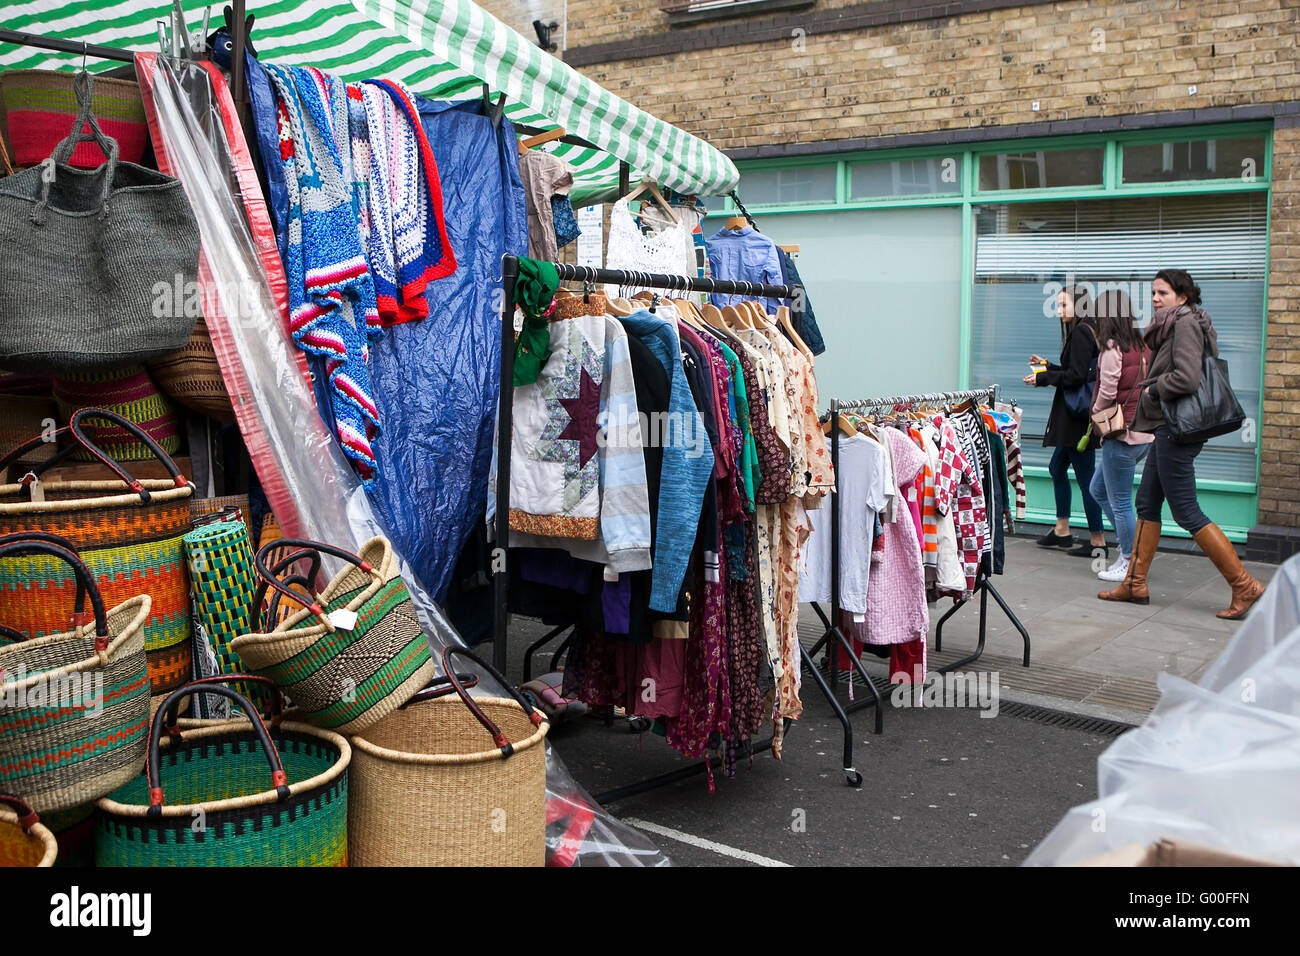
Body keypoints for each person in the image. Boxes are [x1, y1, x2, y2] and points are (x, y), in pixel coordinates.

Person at [1099, 269, 1264, 619]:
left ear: (1182, 296)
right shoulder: (1175, 322)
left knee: (1186, 510)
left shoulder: (1185, 322)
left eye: (1163, 293)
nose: (1156, 299)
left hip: (1177, 429)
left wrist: (1154, 389)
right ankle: (1135, 582)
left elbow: (1187, 377)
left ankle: (1245, 585)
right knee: (1146, 502)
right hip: (1166, 428)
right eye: (1154, 293)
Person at [1024, 284, 1106, 559]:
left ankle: (1098, 540)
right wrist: (1047, 367)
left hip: (1077, 420)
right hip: (1073, 417)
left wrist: (1043, 377)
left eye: (1063, 305)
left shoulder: (1083, 331)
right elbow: (1074, 372)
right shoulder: (1085, 329)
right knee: (1057, 468)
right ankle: (1062, 529)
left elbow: (1076, 378)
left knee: (1087, 480)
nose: (1059, 311)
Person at [1087, 289, 1152, 582]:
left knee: (1121, 501)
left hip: (1120, 435)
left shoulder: (1113, 349)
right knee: (1097, 490)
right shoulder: (1142, 346)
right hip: (1143, 433)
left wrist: (1094, 415)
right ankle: (1132, 547)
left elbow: (1108, 392)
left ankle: (1130, 559)